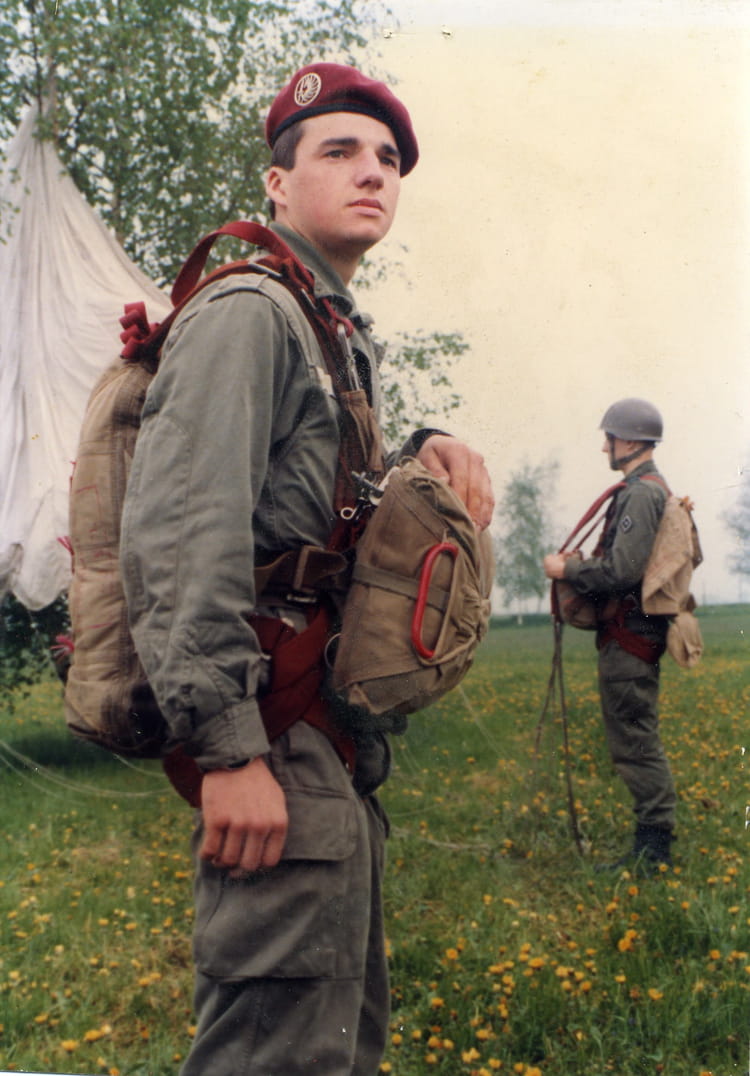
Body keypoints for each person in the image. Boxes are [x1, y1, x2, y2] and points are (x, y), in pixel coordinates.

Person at [120, 62, 494, 1075]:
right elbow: (183, 532)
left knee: (331, 1045)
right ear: (277, 184)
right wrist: (229, 748)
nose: (371, 172)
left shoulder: (323, 323)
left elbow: (319, 495)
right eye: (338, 151)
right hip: (272, 735)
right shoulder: (253, 310)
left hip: (318, 745)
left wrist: (425, 443)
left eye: (386, 158)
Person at [543, 398, 676, 873]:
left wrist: (568, 568)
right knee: (634, 738)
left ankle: (653, 851)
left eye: (611, 437)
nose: (605, 446)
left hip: (630, 638)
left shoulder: (641, 495)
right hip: (630, 635)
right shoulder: (643, 490)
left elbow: (623, 570)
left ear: (632, 441)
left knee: (635, 742)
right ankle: (653, 841)